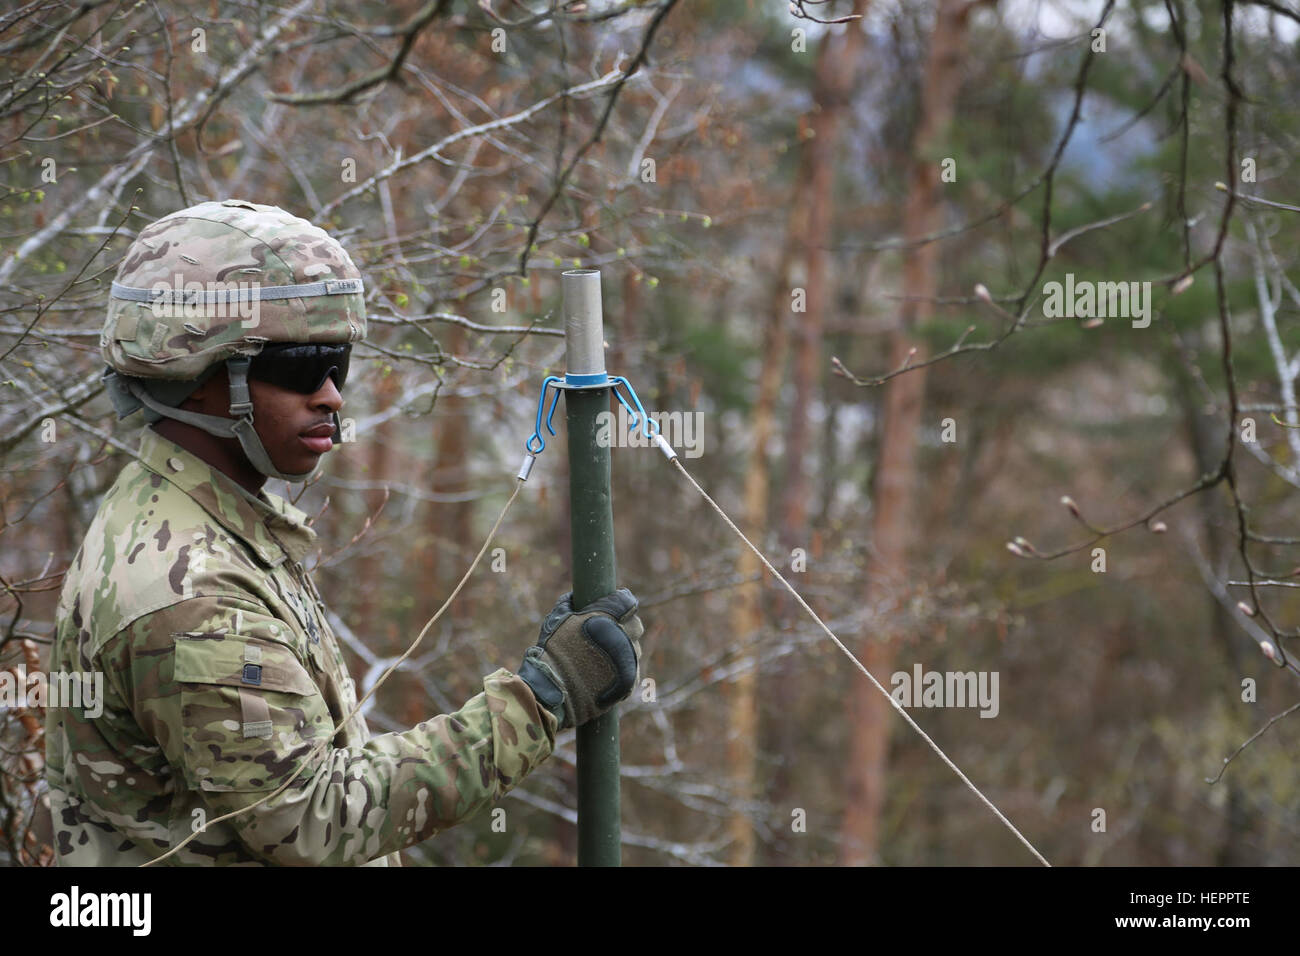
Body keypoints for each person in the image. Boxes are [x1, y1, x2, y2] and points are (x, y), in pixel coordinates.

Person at [44, 199, 643, 866]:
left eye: (339, 366)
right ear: (197, 381)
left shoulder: (205, 515)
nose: (331, 395)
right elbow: (312, 819)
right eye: (301, 369)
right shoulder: (191, 590)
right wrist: (539, 700)